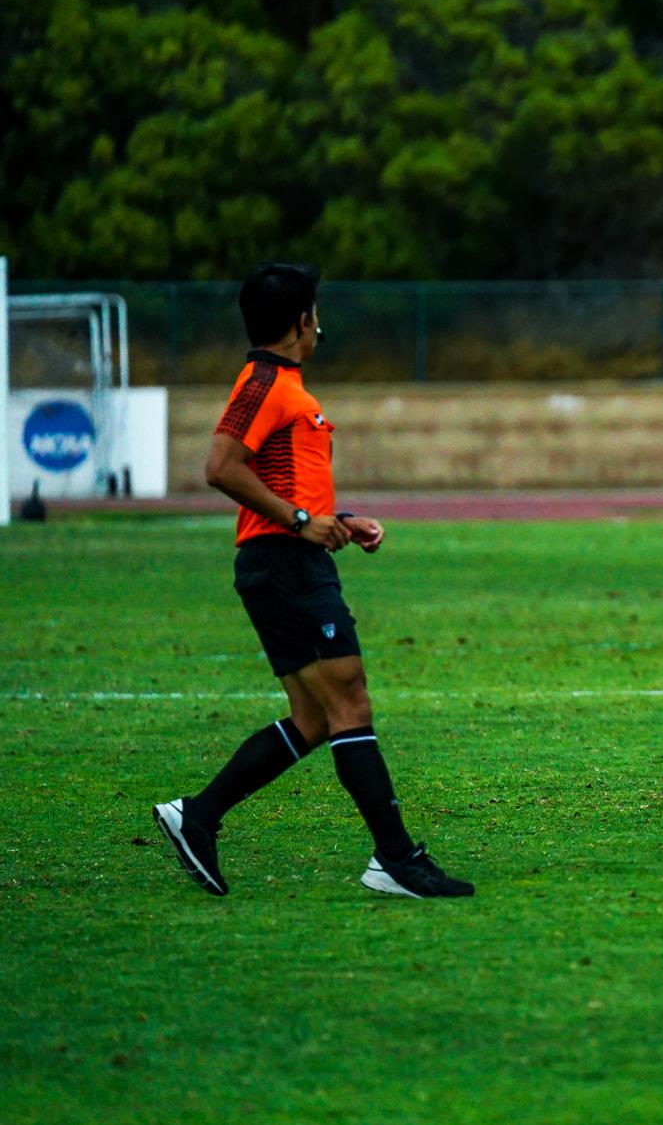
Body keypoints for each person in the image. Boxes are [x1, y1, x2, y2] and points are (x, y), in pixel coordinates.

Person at [152, 262, 473, 899]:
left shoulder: (281, 385)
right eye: (315, 313)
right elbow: (220, 466)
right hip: (284, 564)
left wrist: (336, 521)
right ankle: (395, 858)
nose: (319, 324)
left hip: (287, 559)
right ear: (303, 321)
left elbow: (275, 478)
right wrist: (301, 521)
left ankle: (199, 815)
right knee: (348, 699)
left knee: (314, 717)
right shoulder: (265, 381)